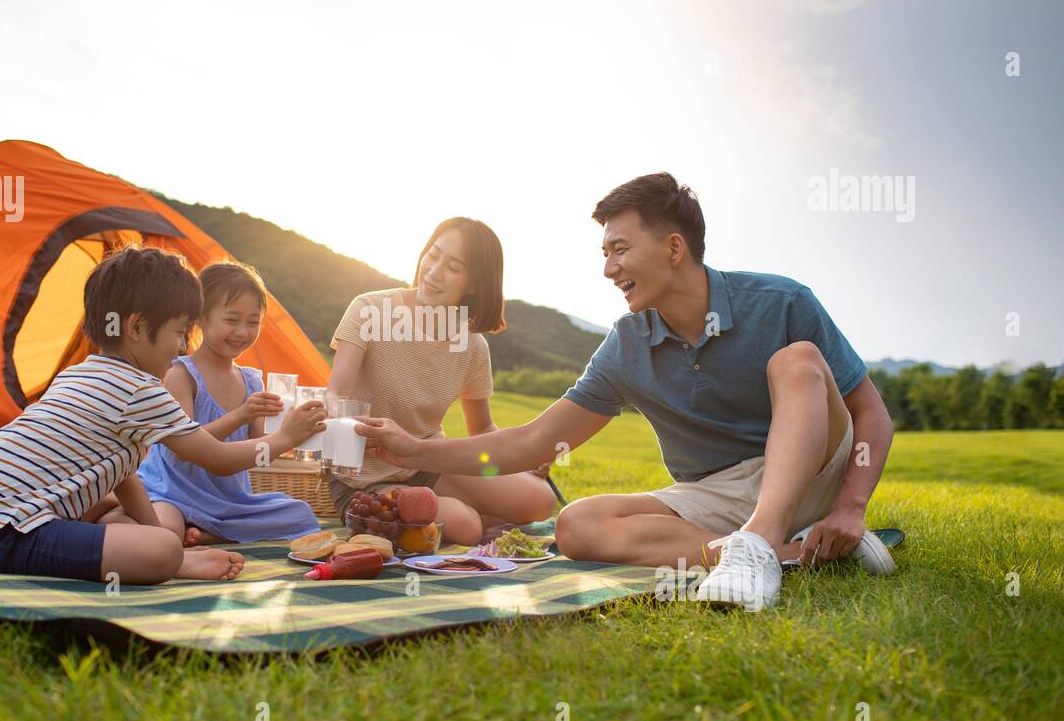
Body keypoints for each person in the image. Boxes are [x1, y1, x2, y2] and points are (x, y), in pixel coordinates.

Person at [356, 174, 897, 611]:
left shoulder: (780, 302)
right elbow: (534, 441)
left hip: (814, 469)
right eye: (604, 252)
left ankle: (760, 544)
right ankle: (787, 552)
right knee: (576, 525)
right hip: (718, 492)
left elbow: (871, 415)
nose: (608, 268)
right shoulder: (627, 344)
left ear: (674, 247)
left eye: (619, 250)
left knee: (797, 360)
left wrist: (850, 507)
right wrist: (417, 449)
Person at [0, 245, 325, 584]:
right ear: (138, 328)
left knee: (141, 525)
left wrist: (156, 530)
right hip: (3, 536)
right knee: (158, 551)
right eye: (179, 333)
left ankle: (159, 549)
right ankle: (174, 563)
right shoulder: (141, 391)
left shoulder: (81, 372)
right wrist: (286, 437)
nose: (180, 346)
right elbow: (220, 459)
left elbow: (123, 474)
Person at [328, 217, 556, 545]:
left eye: (453, 267)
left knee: (540, 499)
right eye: (432, 256)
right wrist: (355, 428)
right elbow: (337, 394)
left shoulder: (473, 345)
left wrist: (521, 460)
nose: (434, 272)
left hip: (429, 461)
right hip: (364, 476)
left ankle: (462, 510)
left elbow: (482, 430)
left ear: (475, 283)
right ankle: (462, 513)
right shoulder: (369, 309)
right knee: (465, 526)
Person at [139, 260, 320, 545]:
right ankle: (203, 534)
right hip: (172, 491)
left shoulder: (251, 381)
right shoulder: (181, 375)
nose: (242, 332)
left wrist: (296, 432)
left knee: (300, 514)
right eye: (232, 320)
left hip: (227, 500)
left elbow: (260, 445)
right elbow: (184, 451)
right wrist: (241, 414)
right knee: (166, 532)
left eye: (253, 322)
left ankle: (209, 534)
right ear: (200, 318)